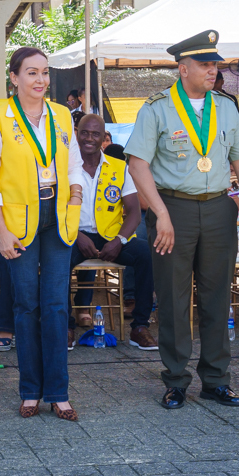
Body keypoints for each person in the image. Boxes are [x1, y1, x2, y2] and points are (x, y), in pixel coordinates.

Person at [125, 30, 239, 409]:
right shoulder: (156, 108)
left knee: (217, 297)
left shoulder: (226, 107)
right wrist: (161, 214)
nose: (212, 70)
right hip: (174, 209)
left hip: (218, 208)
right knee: (173, 298)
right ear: (182, 69)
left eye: (214, 64)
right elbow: (138, 165)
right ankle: (175, 380)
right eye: (204, 64)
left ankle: (217, 380)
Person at [0, 47, 84, 419]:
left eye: (44, 73)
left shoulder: (61, 116)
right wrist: (0, 230)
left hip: (58, 213)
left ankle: (58, 391)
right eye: (31, 73)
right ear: (14, 77)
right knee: (26, 305)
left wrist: (75, 195)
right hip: (18, 220)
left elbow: (72, 163)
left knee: (56, 305)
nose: (40, 80)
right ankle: (29, 391)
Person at [69, 113, 155, 350]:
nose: (89, 138)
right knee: (57, 260)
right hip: (74, 235)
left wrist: (119, 240)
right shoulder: (64, 166)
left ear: (103, 137)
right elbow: (54, 210)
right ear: (77, 133)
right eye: (84, 132)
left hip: (111, 237)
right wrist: (76, 236)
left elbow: (134, 212)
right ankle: (66, 327)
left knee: (145, 254)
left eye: (95, 134)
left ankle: (140, 327)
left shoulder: (119, 167)